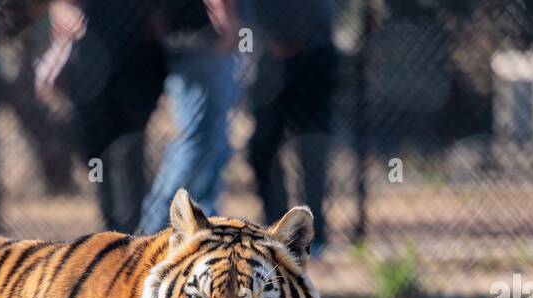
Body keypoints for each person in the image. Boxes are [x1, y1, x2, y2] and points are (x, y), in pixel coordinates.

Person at [36, 0, 165, 233]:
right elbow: (62, 6)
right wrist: (60, 10)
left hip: (135, 61)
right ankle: (115, 231)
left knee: (127, 154)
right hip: (90, 62)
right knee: (95, 154)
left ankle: (131, 235)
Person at [135, 0, 242, 235]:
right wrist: (225, 15)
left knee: (215, 142)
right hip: (203, 37)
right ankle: (153, 226)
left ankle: (205, 224)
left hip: (189, 35)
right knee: (198, 140)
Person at [244, 0, 339, 256]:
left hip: (314, 56)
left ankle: (313, 235)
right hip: (267, 59)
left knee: (313, 148)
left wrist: (297, 39)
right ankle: (276, 228)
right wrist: (269, 40)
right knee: (262, 148)